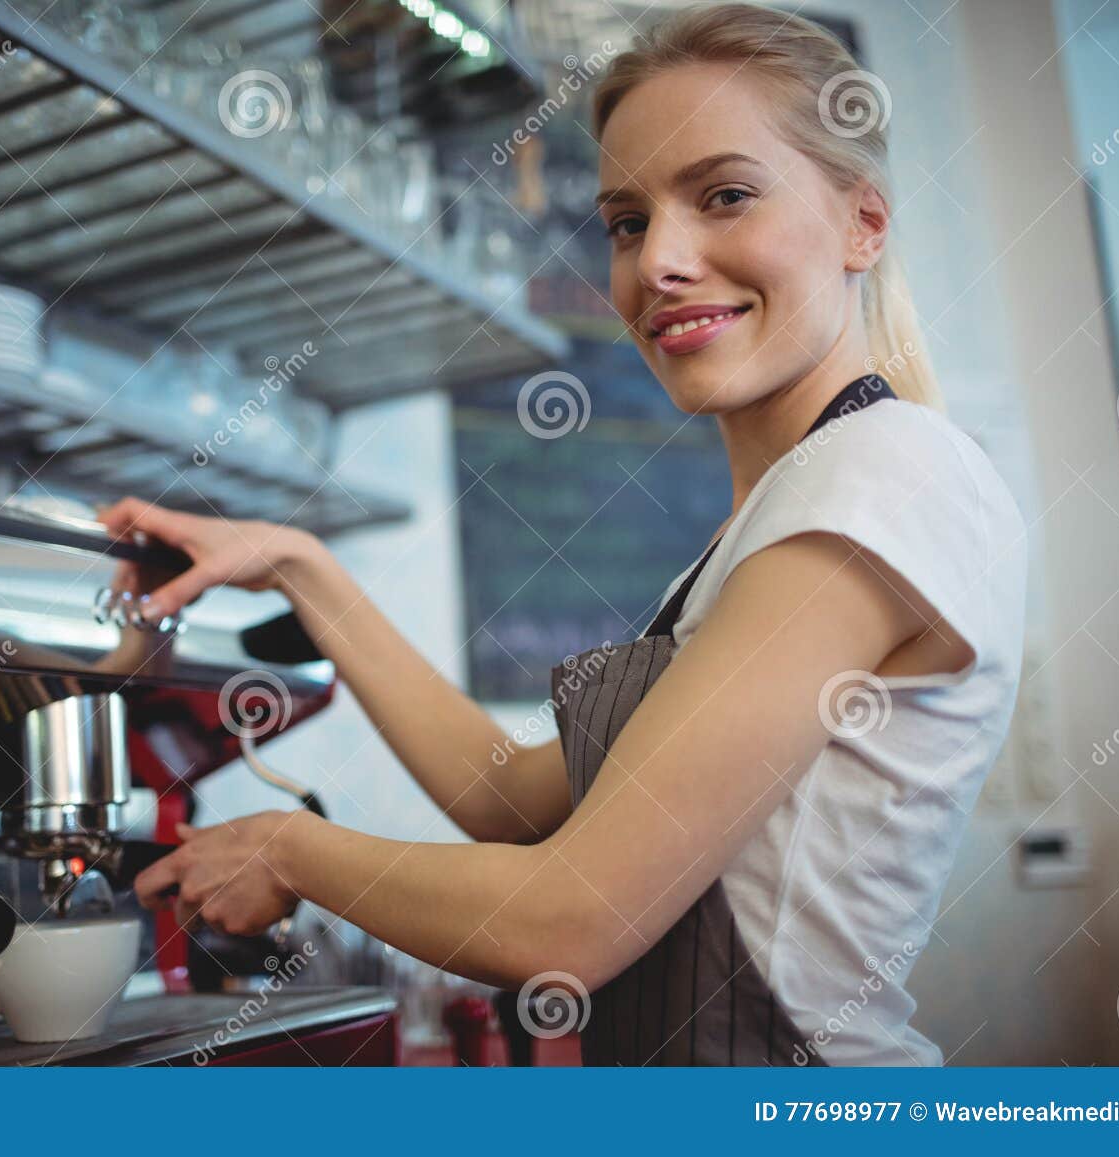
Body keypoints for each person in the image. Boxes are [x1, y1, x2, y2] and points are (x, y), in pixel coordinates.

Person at [102, 2, 1026, 1065]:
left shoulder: (882, 476)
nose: (659, 261)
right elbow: (513, 797)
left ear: (864, 221)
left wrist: (287, 846)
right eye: (627, 221)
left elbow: (567, 919)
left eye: (723, 195)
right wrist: (303, 568)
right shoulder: (772, 525)